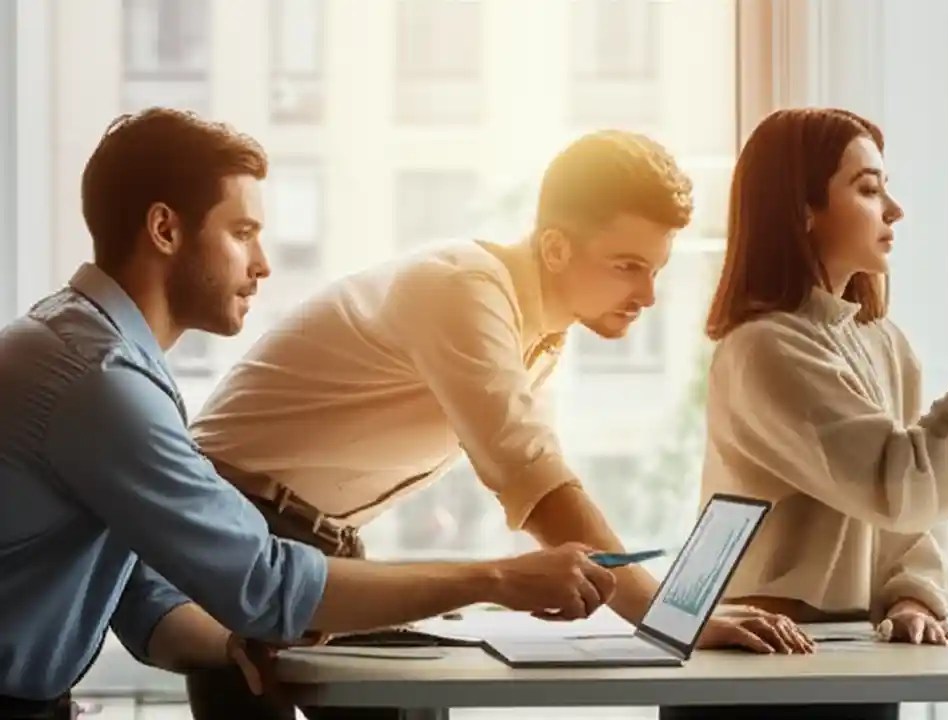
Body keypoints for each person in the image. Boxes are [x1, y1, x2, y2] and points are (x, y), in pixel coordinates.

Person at [0, 108, 618, 720]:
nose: (263, 263)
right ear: (164, 229)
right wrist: (499, 581)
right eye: (242, 233)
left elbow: (136, 594)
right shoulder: (98, 379)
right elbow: (265, 583)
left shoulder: (95, 354)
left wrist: (230, 645)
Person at [183, 128, 813, 718]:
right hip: (232, 523)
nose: (648, 294)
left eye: (656, 269)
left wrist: (659, 604)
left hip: (316, 537)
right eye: (627, 265)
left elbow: (538, 471)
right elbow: (531, 475)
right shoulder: (464, 289)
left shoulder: (541, 333)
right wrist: (668, 612)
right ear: (556, 247)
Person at [664, 107, 948, 720]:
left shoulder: (884, 343)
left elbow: (921, 511)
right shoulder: (764, 348)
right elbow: (902, 484)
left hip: (850, 656)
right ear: (803, 210)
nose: (894, 210)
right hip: (754, 668)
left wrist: (915, 597)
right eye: (869, 189)